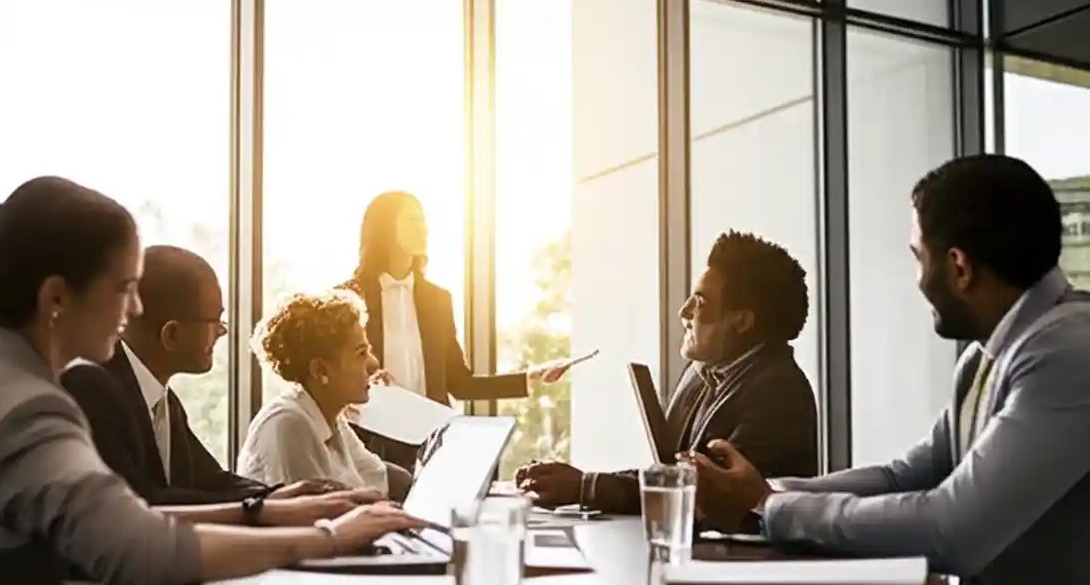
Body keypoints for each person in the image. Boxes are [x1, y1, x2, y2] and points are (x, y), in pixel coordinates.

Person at [0, 176, 421, 585]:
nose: (135, 310)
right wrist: (327, 539)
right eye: (123, 289)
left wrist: (267, 510)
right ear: (57, 298)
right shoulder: (28, 410)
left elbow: (122, 517)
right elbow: (142, 550)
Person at [687, 155, 1090, 585]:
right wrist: (766, 492)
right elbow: (903, 477)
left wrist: (767, 506)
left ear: (959, 268)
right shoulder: (989, 356)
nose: (917, 280)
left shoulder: (1072, 356)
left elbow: (951, 529)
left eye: (919, 258)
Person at [517, 231, 819, 513]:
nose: (684, 312)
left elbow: (705, 492)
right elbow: (671, 474)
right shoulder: (702, 374)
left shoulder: (779, 395)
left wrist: (586, 487)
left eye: (699, 302)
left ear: (741, 321)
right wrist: (582, 484)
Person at [61, 245, 350, 505]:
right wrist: (264, 508)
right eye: (214, 321)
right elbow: (143, 502)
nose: (222, 331)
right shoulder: (92, 389)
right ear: (172, 334)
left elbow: (210, 480)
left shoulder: (163, 399)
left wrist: (275, 495)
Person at [341, 191, 577, 468]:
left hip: (431, 444)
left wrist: (530, 377)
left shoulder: (437, 299)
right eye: (411, 219)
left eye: (423, 220)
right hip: (369, 445)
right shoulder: (348, 298)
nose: (423, 228)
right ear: (384, 227)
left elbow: (459, 382)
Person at [239, 290, 413, 501]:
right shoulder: (289, 425)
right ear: (320, 370)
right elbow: (318, 514)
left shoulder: (329, 414)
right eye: (360, 354)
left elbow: (383, 480)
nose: (374, 364)